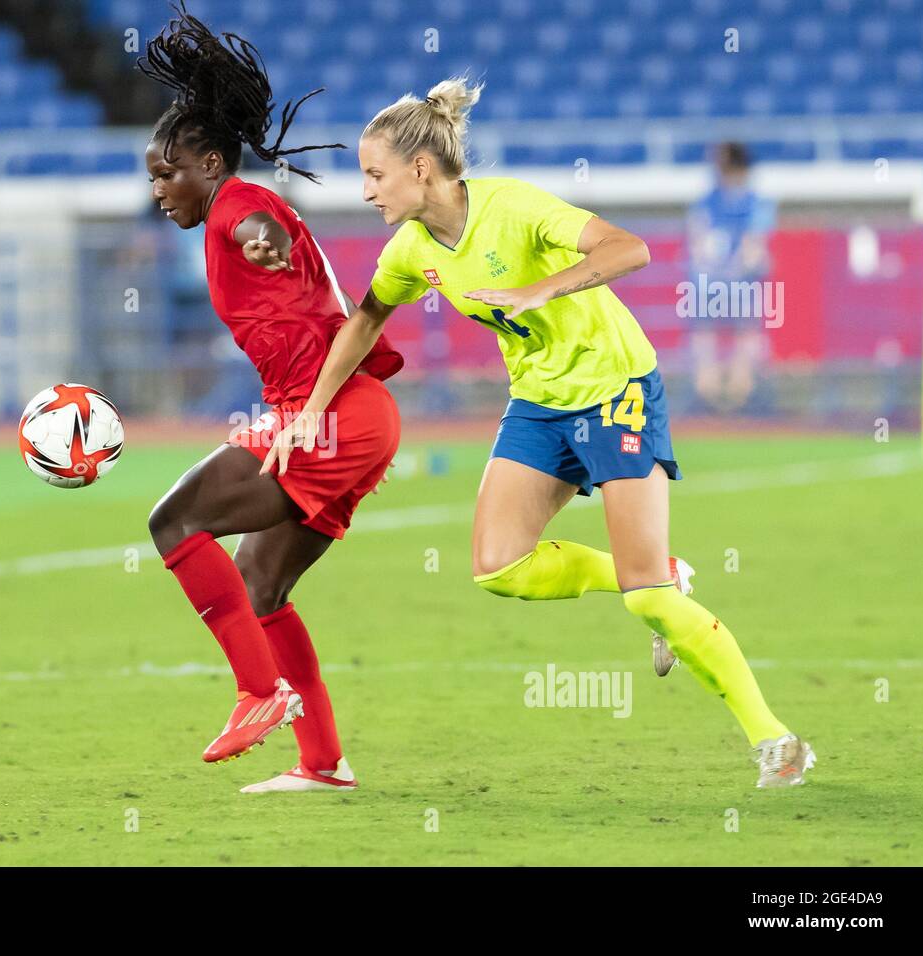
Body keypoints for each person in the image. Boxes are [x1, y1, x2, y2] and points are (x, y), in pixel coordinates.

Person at [264, 79, 814, 788]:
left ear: (420, 170)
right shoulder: (409, 250)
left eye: (374, 174)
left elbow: (631, 249)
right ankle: (663, 575)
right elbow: (365, 319)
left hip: (616, 388)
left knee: (646, 602)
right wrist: (311, 409)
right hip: (539, 401)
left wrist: (541, 289)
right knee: (499, 567)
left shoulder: (514, 208)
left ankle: (775, 740)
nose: (366, 191)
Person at [138, 6, 404, 792]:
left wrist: (265, 241)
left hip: (325, 416)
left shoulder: (235, 207)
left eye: (165, 173)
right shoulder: (235, 206)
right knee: (260, 584)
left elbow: (261, 229)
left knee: (173, 521)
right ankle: (322, 762)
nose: (158, 192)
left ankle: (259, 693)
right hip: (351, 416)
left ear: (210, 163)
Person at [686, 142, 777, 413]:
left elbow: (754, 245)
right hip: (712, 280)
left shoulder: (754, 203)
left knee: (744, 334)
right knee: (706, 335)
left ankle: (739, 395)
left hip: (738, 280)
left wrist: (737, 268)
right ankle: (709, 393)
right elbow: (697, 239)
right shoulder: (707, 201)